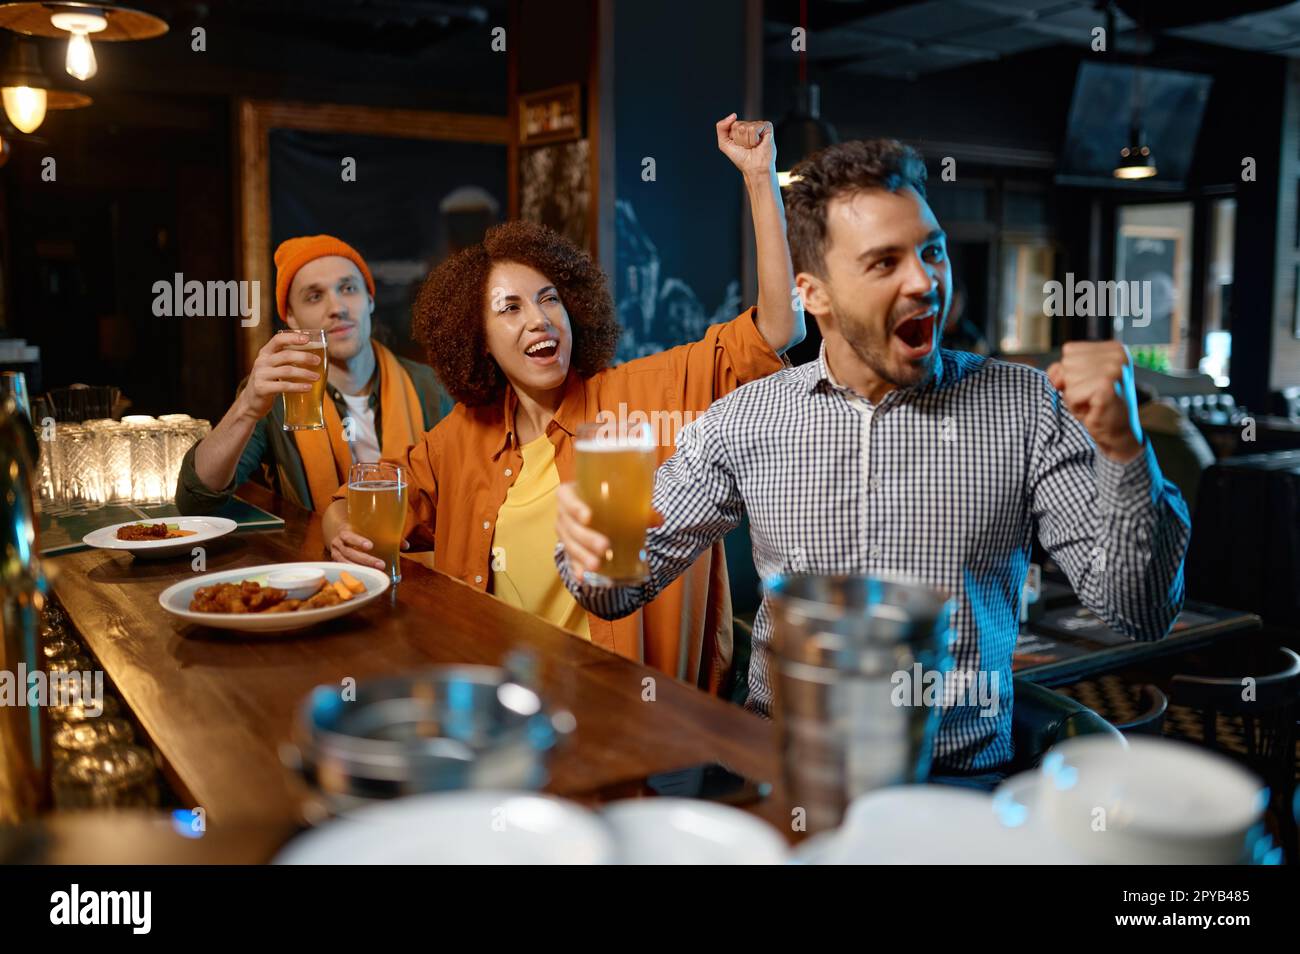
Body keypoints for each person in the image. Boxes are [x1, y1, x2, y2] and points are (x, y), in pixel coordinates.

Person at [555, 138, 1191, 781]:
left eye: (932, 250)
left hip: (957, 783)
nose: (924, 280)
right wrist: (597, 544)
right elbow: (611, 592)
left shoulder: (1025, 406)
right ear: (816, 294)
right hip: (781, 769)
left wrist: (1124, 451)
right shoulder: (745, 419)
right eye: (884, 263)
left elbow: (1138, 612)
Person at [321, 115, 803, 691]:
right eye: (511, 309)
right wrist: (337, 519)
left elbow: (778, 326)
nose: (539, 319)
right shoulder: (462, 436)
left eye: (550, 300)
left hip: (632, 713)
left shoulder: (641, 397)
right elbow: (373, 493)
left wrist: (758, 177)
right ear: (477, 338)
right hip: (503, 705)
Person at [175, 236, 450, 515]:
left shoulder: (431, 387)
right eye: (315, 296)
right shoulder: (277, 395)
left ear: (369, 300)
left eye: (348, 288)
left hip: (415, 557)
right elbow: (196, 501)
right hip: (319, 557)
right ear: (291, 318)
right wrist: (246, 409)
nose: (337, 308)